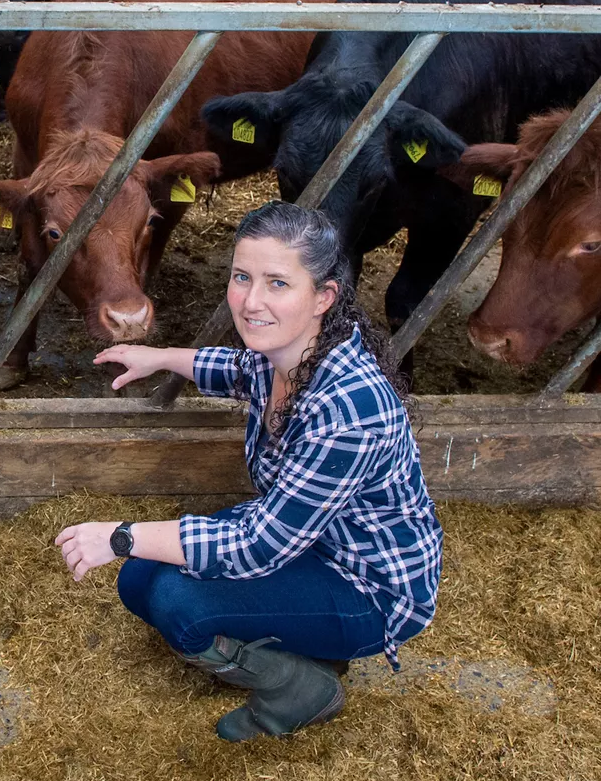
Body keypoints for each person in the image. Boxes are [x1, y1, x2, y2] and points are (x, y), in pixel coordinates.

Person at [55, 202, 443, 742]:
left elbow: (258, 545)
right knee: (141, 577)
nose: (252, 301)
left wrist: (120, 535)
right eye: (242, 277)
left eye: (277, 283)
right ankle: (299, 637)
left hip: (368, 587)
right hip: (309, 540)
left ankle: (302, 687)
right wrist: (161, 358)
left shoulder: (349, 410)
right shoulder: (289, 350)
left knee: (178, 604)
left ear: (324, 297)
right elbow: (236, 370)